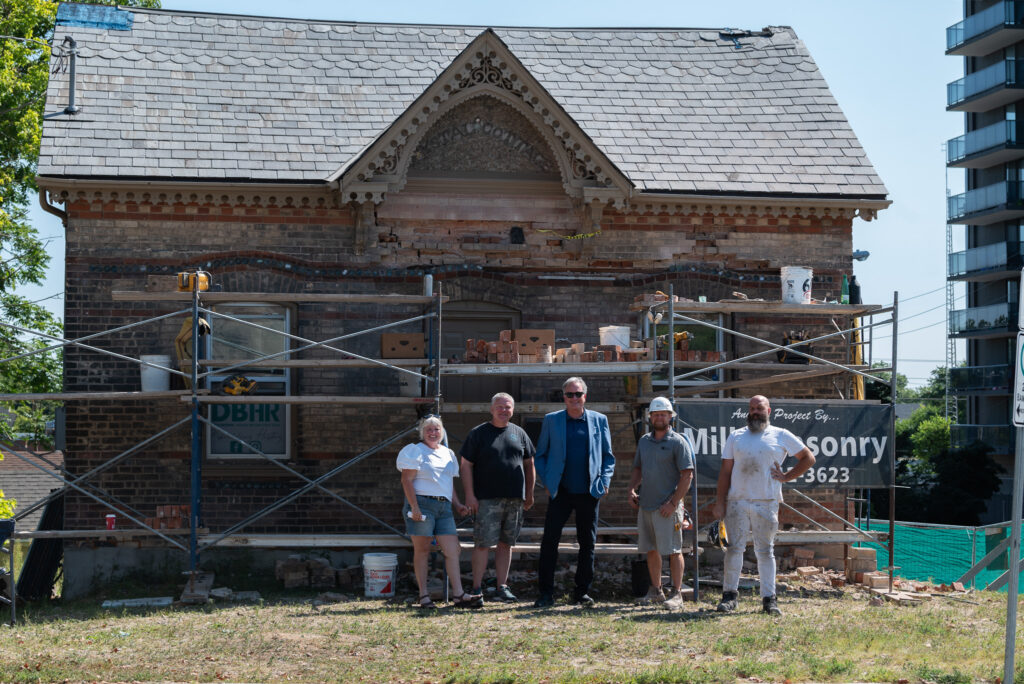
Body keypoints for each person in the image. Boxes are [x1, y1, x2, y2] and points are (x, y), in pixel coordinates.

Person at [713, 395, 815, 616]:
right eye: (751, 408)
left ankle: (769, 599)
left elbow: (808, 458)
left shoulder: (781, 435)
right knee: (734, 549)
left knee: (765, 552)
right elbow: (725, 472)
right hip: (737, 501)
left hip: (766, 502)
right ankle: (729, 596)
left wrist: (787, 477)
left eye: (759, 408)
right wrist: (720, 502)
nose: (755, 412)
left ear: (769, 410)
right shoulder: (736, 436)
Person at [533, 377, 615, 607]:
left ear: (585, 396)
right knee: (550, 542)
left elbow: (608, 457)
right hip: (561, 492)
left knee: (587, 543)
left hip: (589, 492)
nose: (574, 398)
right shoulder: (552, 421)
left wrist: (605, 481)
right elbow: (541, 456)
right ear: (564, 397)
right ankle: (546, 593)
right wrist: (549, 483)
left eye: (578, 394)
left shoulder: (599, 420)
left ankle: (581, 592)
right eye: (570, 395)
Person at [397, 415, 481, 609]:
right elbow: (406, 480)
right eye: (428, 430)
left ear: (442, 432)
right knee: (423, 550)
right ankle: (424, 596)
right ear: (422, 432)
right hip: (422, 504)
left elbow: (447, 484)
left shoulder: (448, 453)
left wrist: (458, 504)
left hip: (444, 507)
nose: (433, 433)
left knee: (453, 550)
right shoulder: (415, 451)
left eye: (436, 429)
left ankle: (459, 595)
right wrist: (415, 507)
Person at [460, 392, 536, 603]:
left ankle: (502, 586)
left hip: (514, 499)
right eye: (500, 407)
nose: (504, 410)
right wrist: (470, 496)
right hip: (486, 499)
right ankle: (476, 588)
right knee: (483, 544)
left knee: (506, 544)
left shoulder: (519, 433)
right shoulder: (479, 433)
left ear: (513, 410)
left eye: (508, 407)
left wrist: (529, 494)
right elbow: (466, 466)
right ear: (492, 409)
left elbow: (530, 465)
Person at [627, 396, 694, 611]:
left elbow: (687, 476)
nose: (659, 417)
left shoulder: (678, 442)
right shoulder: (645, 441)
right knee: (651, 550)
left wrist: (674, 503)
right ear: (650, 417)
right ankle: (656, 591)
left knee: (674, 550)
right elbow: (638, 468)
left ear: (670, 417)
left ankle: (677, 594)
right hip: (646, 505)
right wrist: (631, 489)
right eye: (656, 414)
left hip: (668, 508)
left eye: (663, 414)